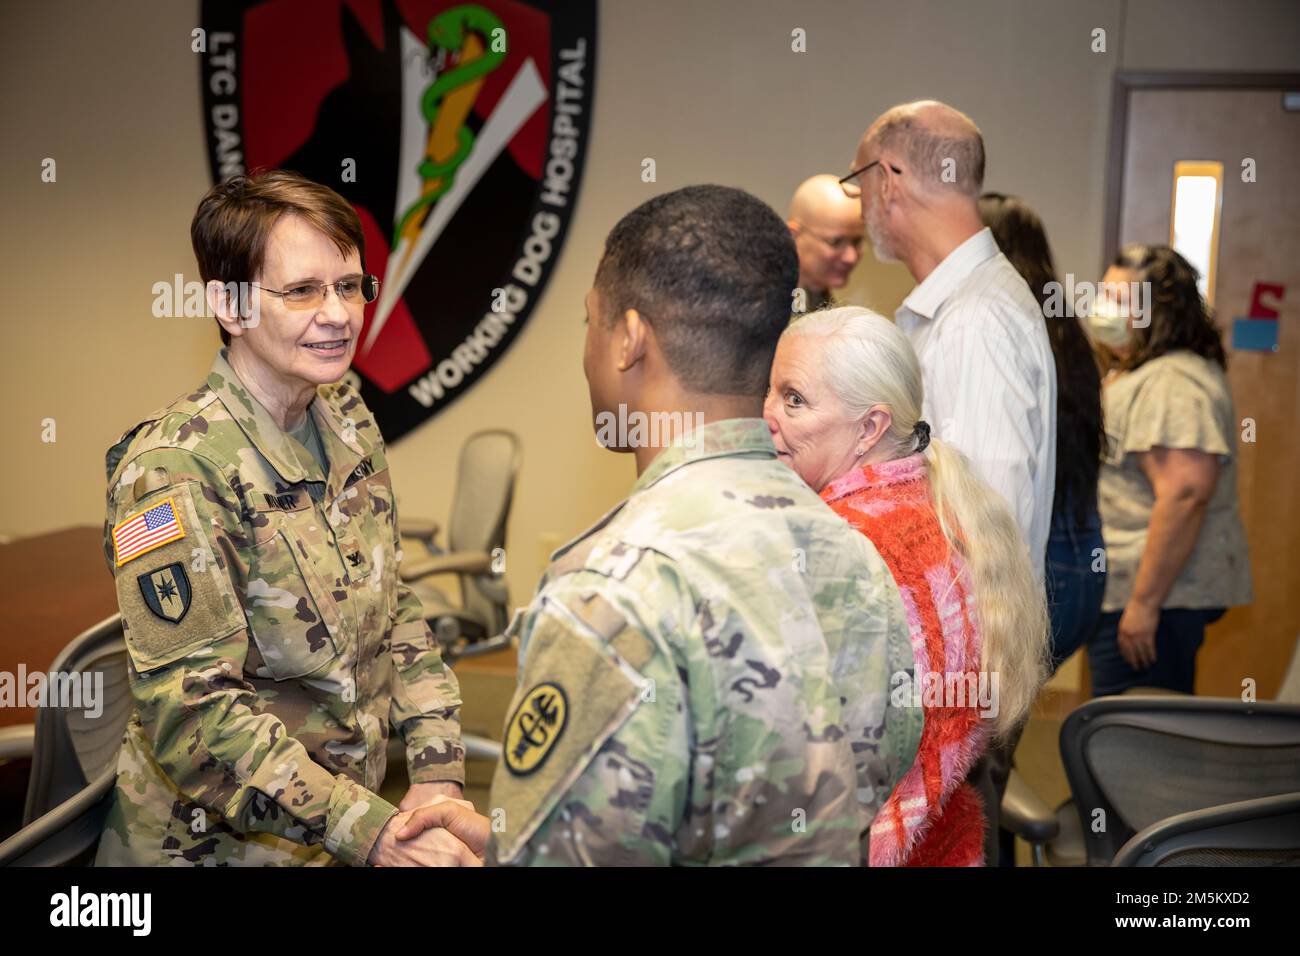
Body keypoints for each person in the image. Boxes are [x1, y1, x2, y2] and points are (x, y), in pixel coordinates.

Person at [400, 185, 923, 866]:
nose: (586, 346)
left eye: (591, 321)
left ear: (629, 339)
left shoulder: (611, 589)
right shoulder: (853, 553)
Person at [97, 170, 474, 866]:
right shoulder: (174, 469)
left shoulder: (346, 415)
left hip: (338, 828)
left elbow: (395, 602)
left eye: (351, 285)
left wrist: (437, 771)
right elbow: (196, 720)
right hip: (213, 846)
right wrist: (372, 831)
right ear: (231, 305)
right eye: (302, 291)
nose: (338, 313)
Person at [844, 100, 1057, 865]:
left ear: (891, 178)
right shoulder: (957, 308)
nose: (863, 204)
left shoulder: (972, 323)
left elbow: (975, 526)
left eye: (859, 181)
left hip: (953, 684)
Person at [764, 306, 1049, 865]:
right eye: (770, 392)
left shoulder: (842, 548)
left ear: (869, 428)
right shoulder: (940, 509)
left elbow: (794, 763)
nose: (766, 415)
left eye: (793, 399)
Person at [1085, 244, 1252, 695]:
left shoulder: (1173, 382)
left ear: (1158, 312)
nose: (1104, 309)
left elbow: (1185, 493)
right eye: (1104, 296)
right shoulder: (1144, 370)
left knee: (1136, 741)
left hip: (1154, 598)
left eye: (1121, 301)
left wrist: (1143, 604)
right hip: (1135, 591)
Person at [979, 193, 1106, 671]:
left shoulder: (999, 329)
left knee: (985, 724)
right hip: (1082, 554)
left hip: (1043, 564)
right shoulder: (1066, 333)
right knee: (1004, 722)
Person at [787, 174, 866, 313]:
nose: (851, 257)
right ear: (794, 236)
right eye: (835, 242)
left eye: (857, 241)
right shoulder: (758, 308)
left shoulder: (824, 306)